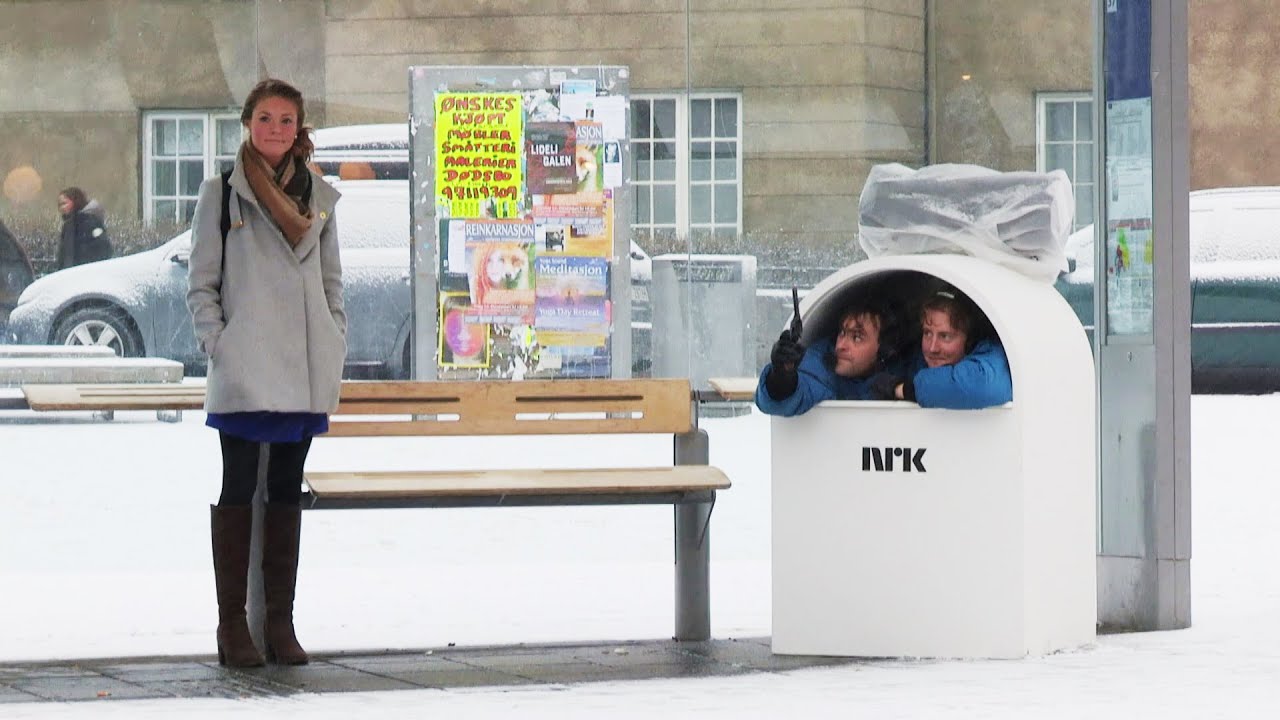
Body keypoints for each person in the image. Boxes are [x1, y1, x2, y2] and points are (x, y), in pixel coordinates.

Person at [186, 78, 346, 668]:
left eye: (285, 120)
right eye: (264, 118)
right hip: (246, 366)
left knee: (284, 490)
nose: (274, 129)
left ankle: (280, 623)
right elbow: (201, 284)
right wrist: (218, 344)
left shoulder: (320, 198)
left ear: (297, 128)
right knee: (237, 488)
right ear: (248, 124)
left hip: (302, 366)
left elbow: (333, 282)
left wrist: (332, 335)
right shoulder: (221, 194)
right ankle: (233, 627)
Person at [755, 296, 906, 417]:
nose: (841, 346)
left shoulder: (906, 367)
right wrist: (782, 376)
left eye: (857, 337)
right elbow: (782, 402)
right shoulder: (822, 370)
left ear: (885, 349)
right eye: (842, 333)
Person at [868, 285, 1012, 409]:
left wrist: (904, 390)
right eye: (927, 333)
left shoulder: (992, 360)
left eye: (945, 336)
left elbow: (983, 387)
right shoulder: (913, 361)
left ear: (970, 340)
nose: (932, 348)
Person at [56, 186, 112, 269]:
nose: (62, 208)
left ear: (75, 202)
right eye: (60, 205)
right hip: (71, 274)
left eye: (65, 203)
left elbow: (104, 248)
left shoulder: (90, 221)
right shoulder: (68, 225)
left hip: (86, 273)